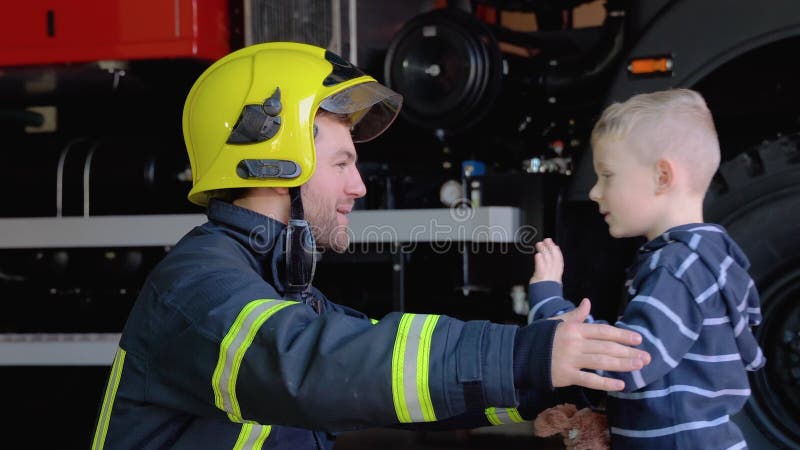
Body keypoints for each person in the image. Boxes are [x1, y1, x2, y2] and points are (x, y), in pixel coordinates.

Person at [90, 42, 650, 450]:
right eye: (342, 163)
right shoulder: (196, 288)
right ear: (273, 166)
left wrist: (540, 386)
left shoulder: (279, 291)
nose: (358, 186)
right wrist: (526, 353)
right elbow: (314, 367)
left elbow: (387, 393)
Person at [528, 88, 766, 449]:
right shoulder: (708, 259)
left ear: (662, 176)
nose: (594, 192)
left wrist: (550, 303)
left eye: (607, 175)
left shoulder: (675, 268)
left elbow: (629, 361)